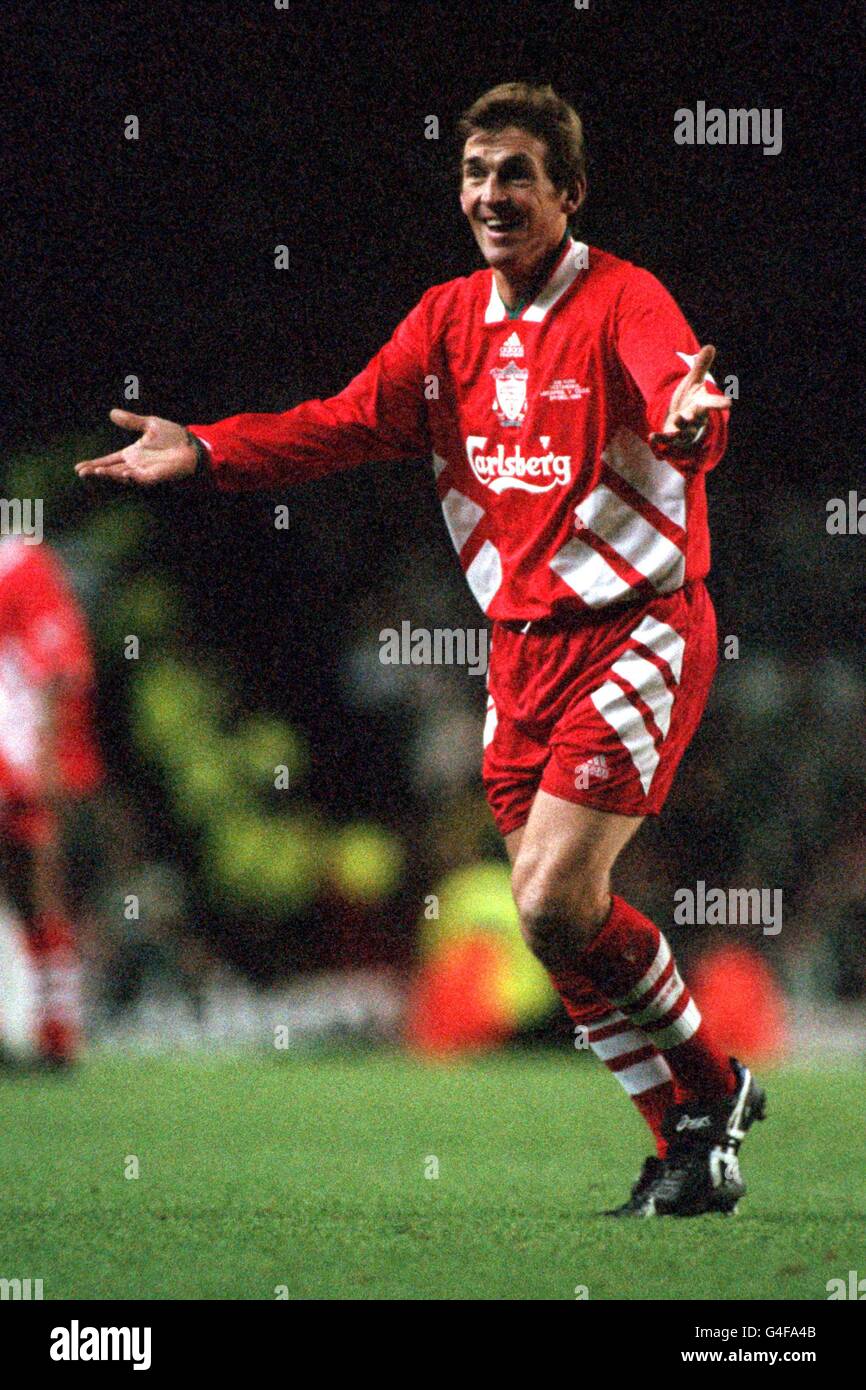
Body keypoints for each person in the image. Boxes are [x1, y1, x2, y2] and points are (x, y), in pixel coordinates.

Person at [75, 82, 765, 1214]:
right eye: (475, 173)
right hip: (518, 654)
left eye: (516, 176)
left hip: (636, 627)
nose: (491, 194)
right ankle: (691, 1134)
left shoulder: (627, 299)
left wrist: (696, 423)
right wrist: (202, 449)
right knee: (556, 933)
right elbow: (343, 422)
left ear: (568, 193)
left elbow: (677, 391)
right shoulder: (445, 323)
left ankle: (709, 1087)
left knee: (547, 898)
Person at [0, 536, 102, 1066]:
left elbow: (59, 664)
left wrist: (45, 757)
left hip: (11, 752)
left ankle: (57, 1028)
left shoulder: (19, 563)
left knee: (32, 884)